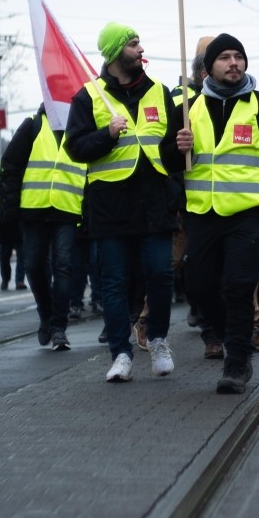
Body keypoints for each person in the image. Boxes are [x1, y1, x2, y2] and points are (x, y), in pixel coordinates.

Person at [173, 34, 259, 394]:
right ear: (208, 67)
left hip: (248, 213)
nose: (234, 63)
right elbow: (167, 162)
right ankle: (231, 333)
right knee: (198, 284)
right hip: (202, 213)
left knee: (240, 285)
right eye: (225, 57)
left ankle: (237, 361)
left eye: (239, 57)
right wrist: (175, 147)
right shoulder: (187, 110)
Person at [66, 22, 181, 383]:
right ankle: (120, 353)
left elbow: (171, 151)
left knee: (161, 274)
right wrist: (107, 134)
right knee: (114, 283)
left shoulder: (160, 93)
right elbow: (75, 147)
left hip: (154, 203)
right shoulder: (88, 97)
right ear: (117, 53)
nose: (140, 48)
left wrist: (182, 145)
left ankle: (158, 339)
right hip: (110, 206)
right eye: (134, 44)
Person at [0, 101, 86, 350]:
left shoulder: (79, 130)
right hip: (34, 210)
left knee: (63, 267)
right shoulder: (33, 126)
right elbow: (10, 166)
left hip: (66, 209)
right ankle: (46, 315)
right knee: (33, 266)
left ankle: (59, 327)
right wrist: (10, 209)